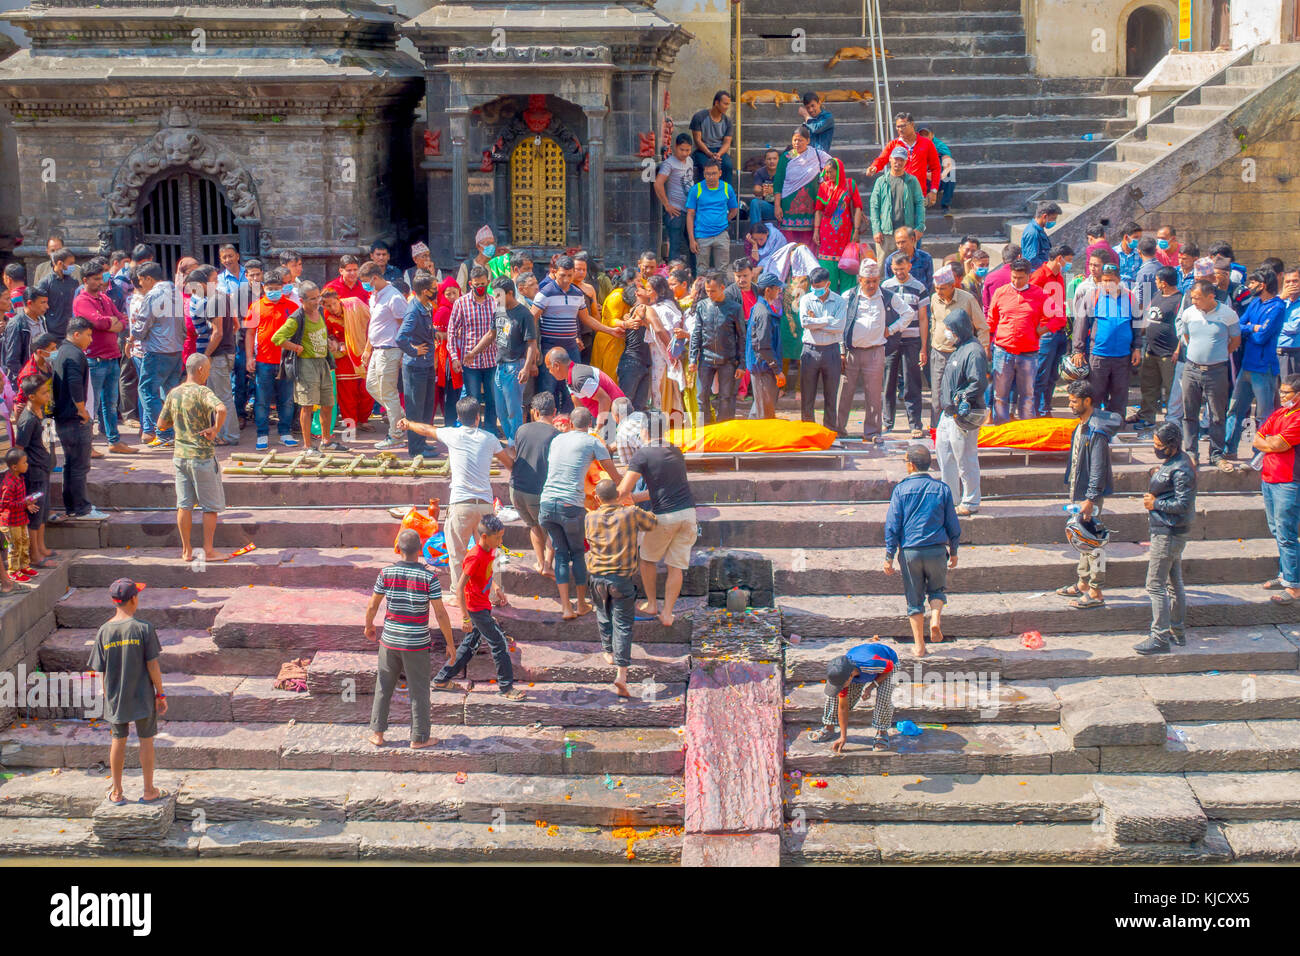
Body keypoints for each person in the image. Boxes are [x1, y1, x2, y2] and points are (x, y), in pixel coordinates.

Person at [400, 397, 514, 600]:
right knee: (489, 554)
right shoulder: (489, 438)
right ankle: (494, 597)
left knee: (457, 555)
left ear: (459, 418)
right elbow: (510, 464)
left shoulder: (452, 434)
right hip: (485, 506)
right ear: (478, 418)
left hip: (460, 505)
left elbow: (426, 430)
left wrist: (408, 423)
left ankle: (459, 596)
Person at [364, 527, 454, 748]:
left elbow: (373, 604)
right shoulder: (429, 577)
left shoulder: (385, 573)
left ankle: (377, 734)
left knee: (383, 687)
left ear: (398, 548)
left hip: (389, 641)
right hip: (416, 644)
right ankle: (419, 737)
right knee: (419, 691)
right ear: (421, 549)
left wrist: (369, 626)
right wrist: (451, 644)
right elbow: (440, 613)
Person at [87, 579, 168, 806]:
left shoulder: (104, 631)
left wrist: (107, 696)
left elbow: (100, 670)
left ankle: (117, 791)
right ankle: (149, 790)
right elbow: (153, 665)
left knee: (118, 740)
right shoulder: (143, 628)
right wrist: (160, 694)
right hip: (142, 695)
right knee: (146, 740)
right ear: (133, 598)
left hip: (115, 697)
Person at [433, 514, 527, 701]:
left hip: (483, 604)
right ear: (484, 537)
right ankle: (506, 687)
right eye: (498, 537)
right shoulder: (474, 556)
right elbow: (459, 588)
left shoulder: (490, 550)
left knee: (470, 645)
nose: (501, 541)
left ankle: (442, 679)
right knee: (499, 644)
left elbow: (486, 573)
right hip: (476, 609)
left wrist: (495, 587)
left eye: (502, 537)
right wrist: (465, 617)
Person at [538, 406, 619, 618]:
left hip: (546, 504)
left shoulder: (557, 440)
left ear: (571, 424)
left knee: (561, 555)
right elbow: (608, 467)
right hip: (570, 506)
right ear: (589, 425)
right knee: (577, 554)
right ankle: (581, 604)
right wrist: (621, 486)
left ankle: (566, 608)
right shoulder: (592, 441)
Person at [616, 412, 696, 627]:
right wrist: (635, 498)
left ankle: (652, 604)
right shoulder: (676, 451)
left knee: (647, 559)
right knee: (675, 566)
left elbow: (623, 490)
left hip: (665, 517)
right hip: (688, 515)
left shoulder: (642, 455)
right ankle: (668, 614)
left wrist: (609, 501)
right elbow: (661, 490)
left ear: (644, 431)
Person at [883, 444, 960, 658]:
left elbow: (892, 525)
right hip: (937, 550)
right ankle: (935, 618)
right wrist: (953, 551)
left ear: (911, 465)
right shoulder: (942, 488)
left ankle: (919, 647)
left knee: (914, 600)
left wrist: (889, 556)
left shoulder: (900, 489)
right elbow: (953, 525)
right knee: (937, 590)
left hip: (910, 553)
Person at [585, 478, 658, 698]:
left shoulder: (589, 516)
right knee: (623, 624)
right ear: (618, 496)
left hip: (597, 577)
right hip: (621, 579)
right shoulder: (631, 513)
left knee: (602, 614)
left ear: (597, 499)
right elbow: (653, 523)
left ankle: (608, 651)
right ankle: (621, 674)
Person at [156, 353, 227, 562]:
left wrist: (179, 422)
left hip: (180, 457)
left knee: (184, 504)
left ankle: (186, 550)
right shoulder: (203, 391)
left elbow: (161, 424)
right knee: (210, 507)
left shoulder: (174, 393)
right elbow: (221, 408)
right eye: (208, 369)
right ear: (200, 370)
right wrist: (215, 429)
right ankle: (209, 550)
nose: (208, 373)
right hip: (202, 457)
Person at [531, 256, 622, 414]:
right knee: (548, 387)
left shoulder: (578, 294)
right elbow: (532, 319)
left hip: (571, 348)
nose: (566, 279)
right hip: (550, 347)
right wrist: (533, 346)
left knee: (572, 389)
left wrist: (609, 330)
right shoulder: (545, 293)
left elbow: (586, 318)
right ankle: (545, 423)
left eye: (569, 275)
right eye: (562, 275)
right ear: (554, 272)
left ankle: (570, 422)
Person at [1134, 422, 1196, 654]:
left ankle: (1159, 636)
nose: (1155, 448)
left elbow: (1182, 503)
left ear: (1171, 446)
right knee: (1173, 582)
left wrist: (1155, 503)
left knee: (1155, 584)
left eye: (1158, 445)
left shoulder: (1182, 469)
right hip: (1169, 529)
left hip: (1169, 531)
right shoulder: (1176, 463)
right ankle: (1176, 630)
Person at [1058, 379, 1118, 609]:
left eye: (1074, 402)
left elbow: (1098, 468)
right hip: (1079, 493)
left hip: (1089, 497)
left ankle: (1096, 591)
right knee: (1083, 540)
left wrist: (1091, 499)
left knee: (1095, 545)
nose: (1070, 405)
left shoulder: (1097, 431)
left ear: (1087, 401)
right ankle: (1083, 583)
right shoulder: (1083, 424)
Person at [272, 282, 347, 456]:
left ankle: (326, 441)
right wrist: (296, 347)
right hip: (306, 365)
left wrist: (329, 343)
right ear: (302, 300)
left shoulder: (320, 312)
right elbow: (277, 338)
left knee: (328, 403)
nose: (317, 301)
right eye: (312, 299)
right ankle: (307, 446)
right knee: (307, 406)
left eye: (318, 297)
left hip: (323, 363)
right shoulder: (297, 317)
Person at [73, 256, 135, 455]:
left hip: (111, 357)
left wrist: (113, 322)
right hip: (94, 359)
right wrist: (113, 322)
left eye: (101, 278)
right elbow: (97, 322)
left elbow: (123, 319)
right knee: (92, 404)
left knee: (110, 403)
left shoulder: (105, 298)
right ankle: (87, 444)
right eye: (96, 279)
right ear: (85, 280)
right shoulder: (82, 300)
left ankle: (114, 440)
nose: (101, 282)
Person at [1177, 279, 1241, 471]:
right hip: (1191, 369)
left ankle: (1216, 454)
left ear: (1210, 296)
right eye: (1192, 298)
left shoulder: (1228, 314)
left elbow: (1235, 342)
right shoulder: (1189, 313)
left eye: (1197, 298)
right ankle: (1190, 452)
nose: (1193, 301)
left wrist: (1216, 355)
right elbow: (1186, 337)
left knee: (1217, 415)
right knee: (1189, 413)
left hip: (1216, 371)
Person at [1225, 268, 1285, 460]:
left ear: (1263, 285)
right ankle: (1230, 449)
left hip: (1264, 368)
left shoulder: (1277, 307)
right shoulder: (1255, 303)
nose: (1249, 286)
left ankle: (1260, 452)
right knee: (1235, 409)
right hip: (1247, 366)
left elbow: (1261, 337)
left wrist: (1248, 330)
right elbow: (1238, 325)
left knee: (1263, 414)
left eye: (1253, 283)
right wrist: (1252, 327)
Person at [51, 318, 106, 521]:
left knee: (71, 464)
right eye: (88, 335)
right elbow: (74, 383)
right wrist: (82, 410)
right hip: (74, 420)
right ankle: (82, 509)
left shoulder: (63, 351)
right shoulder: (74, 354)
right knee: (80, 466)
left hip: (64, 418)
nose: (90, 340)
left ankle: (72, 506)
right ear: (76, 334)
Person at [935, 309, 988, 517]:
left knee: (965, 459)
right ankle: (951, 499)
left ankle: (971, 500)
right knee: (945, 456)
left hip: (963, 415)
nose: (948, 333)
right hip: (947, 413)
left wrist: (963, 397)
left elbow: (978, 382)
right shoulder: (958, 348)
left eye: (950, 329)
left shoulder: (973, 351)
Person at [1070, 262, 1140, 418]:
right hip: (1099, 356)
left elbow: (1136, 324)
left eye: (1112, 280)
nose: (1108, 284)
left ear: (1119, 280)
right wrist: (1078, 350)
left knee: (1119, 395)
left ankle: (1116, 427)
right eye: (1105, 280)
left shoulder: (1129, 297)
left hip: (1123, 357)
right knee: (1095, 394)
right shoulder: (1092, 296)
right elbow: (1080, 324)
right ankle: (1092, 426)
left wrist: (1137, 348)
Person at [1254, 375, 1300, 605]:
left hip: (1288, 481)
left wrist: (1271, 442)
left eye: (1287, 393)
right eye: (1281, 392)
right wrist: (1271, 442)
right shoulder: (1279, 414)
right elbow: (1258, 439)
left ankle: (1293, 586)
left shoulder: (1298, 418)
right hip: (1269, 478)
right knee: (1276, 530)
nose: (1282, 396)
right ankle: (1285, 576)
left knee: (1287, 533)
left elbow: (1278, 444)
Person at [806, 642, 900, 752]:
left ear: (850, 677)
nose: (840, 687)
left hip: (888, 664)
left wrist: (871, 686)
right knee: (834, 697)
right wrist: (843, 736)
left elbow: (889, 668)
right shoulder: (841, 671)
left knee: (884, 698)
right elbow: (842, 707)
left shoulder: (871, 664)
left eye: (841, 685)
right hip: (860, 671)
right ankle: (829, 727)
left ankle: (882, 732)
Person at [245, 268, 299, 451]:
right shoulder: (256, 306)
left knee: (287, 399)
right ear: (263, 288)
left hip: (286, 362)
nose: (273, 291)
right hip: (263, 361)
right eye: (270, 288)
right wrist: (249, 358)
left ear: (282, 287)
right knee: (261, 400)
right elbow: (250, 333)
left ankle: (285, 432)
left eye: (277, 287)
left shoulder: (292, 307)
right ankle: (262, 434)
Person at [928, 264, 988, 428]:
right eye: (936, 288)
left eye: (942, 288)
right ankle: (936, 430)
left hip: (961, 355)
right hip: (939, 353)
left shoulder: (967, 299)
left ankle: (958, 426)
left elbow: (982, 327)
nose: (939, 292)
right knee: (937, 396)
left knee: (958, 395)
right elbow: (934, 321)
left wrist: (981, 350)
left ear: (952, 285)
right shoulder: (934, 299)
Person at [837, 260, 891, 441]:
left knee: (874, 394)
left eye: (875, 281)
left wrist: (891, 328)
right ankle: (838, 430)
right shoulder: (848, 296)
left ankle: (872, 432)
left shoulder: (886, 296)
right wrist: (841, 351)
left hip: (875, 352)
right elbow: (839, 325)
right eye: (868, 281)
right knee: (844, 392)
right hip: (850, 352)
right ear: (860, 279)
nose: (872, 285)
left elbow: (907, 313)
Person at [987, 257, 1046, 424]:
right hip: (1002, 351)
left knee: (1027, 395)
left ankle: (1027, 432)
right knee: (1000, 395)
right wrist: (986, 344)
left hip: (1029, 353)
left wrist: (1042, 330)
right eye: (1013, 277)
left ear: (1028, 276)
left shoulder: (1039, 294)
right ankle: (1002, 429)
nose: (1016, 281)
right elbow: (991, 322)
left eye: (1020, 278)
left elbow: (1058, 317)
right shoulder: (1001, 292)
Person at [448, 264, 500, 438]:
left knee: (493, 398)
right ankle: (473, 431)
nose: (480, 288)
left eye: (483, 284)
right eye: (476, 284)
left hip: (492, 360)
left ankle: (491, 430)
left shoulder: (495, 302)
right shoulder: (461, 303)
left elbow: (502, 331)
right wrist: (455, 357)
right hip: (470, 361)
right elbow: (451, 332)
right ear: (470, 283)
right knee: (473, 398)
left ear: (488, 283)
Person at [511, 392, 559, 576]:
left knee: (534, 526)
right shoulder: (556, 435)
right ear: (554, 412)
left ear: (535, 412)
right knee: (551, 528)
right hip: (539, 490)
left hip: (516, 489)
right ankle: (547, 565)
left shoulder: (522, 430)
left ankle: (539, 563)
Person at [359, 261, 406, 450]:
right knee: (371, 386)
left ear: (375, 278)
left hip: (390, 349)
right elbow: (375, 324)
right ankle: (398, 413)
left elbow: (404, 325)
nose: (364, 284)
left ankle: (395, 435)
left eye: (365, 281)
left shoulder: (394, 297)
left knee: (388, 392)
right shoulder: (374, 296)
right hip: (377, 349)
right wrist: (367, 349)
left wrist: (404, 352)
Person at [880, 253, 928, 438]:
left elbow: (923, 318)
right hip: (890, 340)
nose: (899, 272)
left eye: (902, 269)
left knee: (912, 382)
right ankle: (887, 422)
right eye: (895, 269)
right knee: (888, 382)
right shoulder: (886, 286)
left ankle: (915, 423)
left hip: (912, 340)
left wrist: (924, 347)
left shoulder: (919, 287)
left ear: (909, 266)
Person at [689, 270, 745, 424]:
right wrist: (693, 358)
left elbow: (742, 337)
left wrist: (742, 364)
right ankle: (706, 429)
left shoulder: (734, 308)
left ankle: (723, 430)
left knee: (726, 397)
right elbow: (696, 333)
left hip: (728, 360)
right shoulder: (702, 306)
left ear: (722, 287)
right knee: (701, 396)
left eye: (713, 291)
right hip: (706, 359)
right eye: (707, 291)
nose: (710, 294)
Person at [798, 266, 848, 430]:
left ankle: (830, 431)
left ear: (828, 284)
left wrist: (816, 323)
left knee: (831, 395)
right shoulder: (806, 299)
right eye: (814, 287)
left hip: (831, 351)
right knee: (807, 395)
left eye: (819, 287)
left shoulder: (840, 301)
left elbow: (839, 327)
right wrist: (827, 320)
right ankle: (808, 430)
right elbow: (805, 323)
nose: (816, 290)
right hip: (810, 351)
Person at [1133, 266, 1183, 428]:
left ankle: (1172, 422)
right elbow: (1148, 316)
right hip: (1151, 351)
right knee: (1149, 386)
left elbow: (1184, 327)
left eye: (1157, 280)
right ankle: (1147, 417)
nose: (1156, 282)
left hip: (1168, 354)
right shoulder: (1157, 295)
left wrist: (1178, 350)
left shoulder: (1179, 300)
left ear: (1164, 283)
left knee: (1171, 390)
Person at [491, 276, 538, 445]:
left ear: (510, 293)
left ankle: (516, 442)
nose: (496, 299)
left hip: (515, 365)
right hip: (500, 366)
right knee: (500, 410)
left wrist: (526, 367)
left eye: (499, 296)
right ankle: (511, 438)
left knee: (514, 409)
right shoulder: (498, 311)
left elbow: (532, 343)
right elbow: (491, 334)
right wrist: (473, 352)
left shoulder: (524, 314)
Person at [319, 286, 371, 439]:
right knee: (347, 394)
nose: (332, 308)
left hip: (364, 352)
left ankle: (363, 420)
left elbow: (372, 321)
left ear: (338, 299)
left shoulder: (354, 305)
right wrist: (334, 342)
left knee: (367, 390)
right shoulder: (326, 316)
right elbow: (328, 335)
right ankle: (351, 424)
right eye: (327, 305)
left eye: (333, 304)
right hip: (343, 357)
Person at [1029, 243, 1074, 418]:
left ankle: (1046, 408)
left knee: (1052, 375)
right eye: (1068, 261)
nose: (1068, 264)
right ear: (1059, 258)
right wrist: (1039, 328)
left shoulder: (1059, 277)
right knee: (1041, 374)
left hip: (1059, 330)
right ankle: (1037, 410)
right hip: (1046, 332)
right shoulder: (1039, 276)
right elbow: (1029, 302)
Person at [14, 376, 54, 568]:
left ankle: (41, 547)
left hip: (44, 468)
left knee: (44, 510)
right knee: (35, 513)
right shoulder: (27, 420)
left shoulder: (41, 412)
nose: (48, 395)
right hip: (34, 472)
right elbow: (20, 447)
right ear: (31, 396)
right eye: (44, 392)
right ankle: (35, 555)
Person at [867, 111, 942, 209]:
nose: (900, 129)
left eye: (903, 126)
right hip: (897, 193)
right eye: (898, 127)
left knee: (917, 223)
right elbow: (881, 159)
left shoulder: (927, 144)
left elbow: (936, 168)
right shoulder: (893, 144)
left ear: (912, 124)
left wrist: (934, 191)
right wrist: (874, 167)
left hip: (918, 194)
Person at [772, 124, 831, 247]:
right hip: (788, 205)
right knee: (789, 242)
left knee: (809, 241)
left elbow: (834, 165)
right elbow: (778, 182)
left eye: (800, 140)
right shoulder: (786, 157)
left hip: (811, 206)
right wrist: (777, 206)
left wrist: (823, 179)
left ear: (808, 141)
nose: (797, 143)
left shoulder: (816, 154)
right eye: (795, 140)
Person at [812, 157, 863, 293]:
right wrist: (816, 231)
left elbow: (858, 207)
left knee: (848, 272)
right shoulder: (824, 187)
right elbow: (818, 210)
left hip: (846, 235)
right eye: (826, 172)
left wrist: (856, 230)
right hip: (827, 235)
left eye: (831, 172)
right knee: (828, 274)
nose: (828, 175)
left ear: (839, 170)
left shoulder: (850, 185)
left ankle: (848, 306)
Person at [869, 147, 926, 263]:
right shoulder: (881, 181)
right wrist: (876, 229)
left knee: (908, 268)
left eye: (902, 160)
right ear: (890, 159)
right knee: (883, 270)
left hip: (907, 233)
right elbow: (874, 206)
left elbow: (920, 204)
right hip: (886, 234)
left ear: (906, 162)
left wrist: (920, 226)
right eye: (896, 159)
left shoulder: (912, 181)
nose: (898, 162)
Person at [686, 159, 739, 271]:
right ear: (704, 174)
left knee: (723, 270)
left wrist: (724, 220)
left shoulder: (727, 188)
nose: (711, 177)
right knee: (701, 270)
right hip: (701, 235)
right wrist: (692, 239)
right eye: (708, 174)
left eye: (714, 173)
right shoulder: (696, 189)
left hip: (722, 234)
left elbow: (734, 210)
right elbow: (690, 215)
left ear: (720, 173)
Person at [748, 272, 785, 420]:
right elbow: (764, 345)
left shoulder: (758, 308)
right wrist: (777, 370)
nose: (779, 291)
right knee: (765, 413)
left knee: (758, 409)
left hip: (760, 367)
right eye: (777, 288)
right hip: (763, 368)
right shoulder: (764, 313)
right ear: (768, 290)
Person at [656, 133, 696, 267]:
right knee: (675, 248)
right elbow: (658, 184)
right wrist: (667, 205)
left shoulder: (690, 160)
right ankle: (673, 279)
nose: (685, 153)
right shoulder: (669, 164)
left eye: (688, 150)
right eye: (682, 149)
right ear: (675, 147)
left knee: (692, 245)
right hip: (676, 212)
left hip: (690, 211)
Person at [0, 448, 38, 581]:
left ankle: (24, 566)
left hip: (21, 519)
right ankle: (13, 571)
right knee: (15, 546)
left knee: (24, 542)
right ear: (15, 467)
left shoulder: (19, 478)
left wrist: (28, 502)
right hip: (11, 522)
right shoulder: (8, 484)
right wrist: (24, 504)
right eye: (24, 463)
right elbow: (5, 504)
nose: (27, 465)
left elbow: (19, 500)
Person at [2, 287, 48, 384]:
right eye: (42, 303)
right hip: (28, 382)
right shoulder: (16, 325)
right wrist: (26, 382)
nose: (47, 306)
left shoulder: (42, 320)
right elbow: (12, 360)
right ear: (30, 304)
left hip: (41, 376)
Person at [689, 90, 735, 185]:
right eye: (725, 104)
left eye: (728, 104)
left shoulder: (728, 121)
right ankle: (704, 195)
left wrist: (718, 154)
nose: (727, 107)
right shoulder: (699, 117)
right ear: (716, 103)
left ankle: (725, 195)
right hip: (702, 150)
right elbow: (697, 140)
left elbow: (727, 142)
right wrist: (709, 153)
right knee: (705, 166)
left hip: (720, 150)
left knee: (727, 165)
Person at [33, 248, 79, 340]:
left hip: (71, 331)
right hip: (52, 332)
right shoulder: (46, 283)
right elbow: (38, 306)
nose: (72, 266)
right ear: (59, 263)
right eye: (70, 264)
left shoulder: (73, 282)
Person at [1019, 202, 1061, 270]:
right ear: (1044, 216)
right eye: (1053, 218)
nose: (1054, 221)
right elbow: (1032, 260)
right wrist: (1050, 266)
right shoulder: (1033, 233)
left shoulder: (1039, 230)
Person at [456, 226, 496, 294]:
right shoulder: (467, 265)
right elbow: (459, 290)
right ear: (479, 246)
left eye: (493, 243)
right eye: (488, 244)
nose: (491, 246)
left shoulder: (494, 265)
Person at [748, 147, 781, 223]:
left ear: (779, 160)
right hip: (769, 207)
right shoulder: (760, 172)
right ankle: (756, 231)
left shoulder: (785, 172)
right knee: (755, 202)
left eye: (774, 159)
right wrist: (763, 191)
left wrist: (775, 191)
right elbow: (756, 190)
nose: (772, 161)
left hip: (783, 208)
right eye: (769, 159)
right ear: (765, 161)